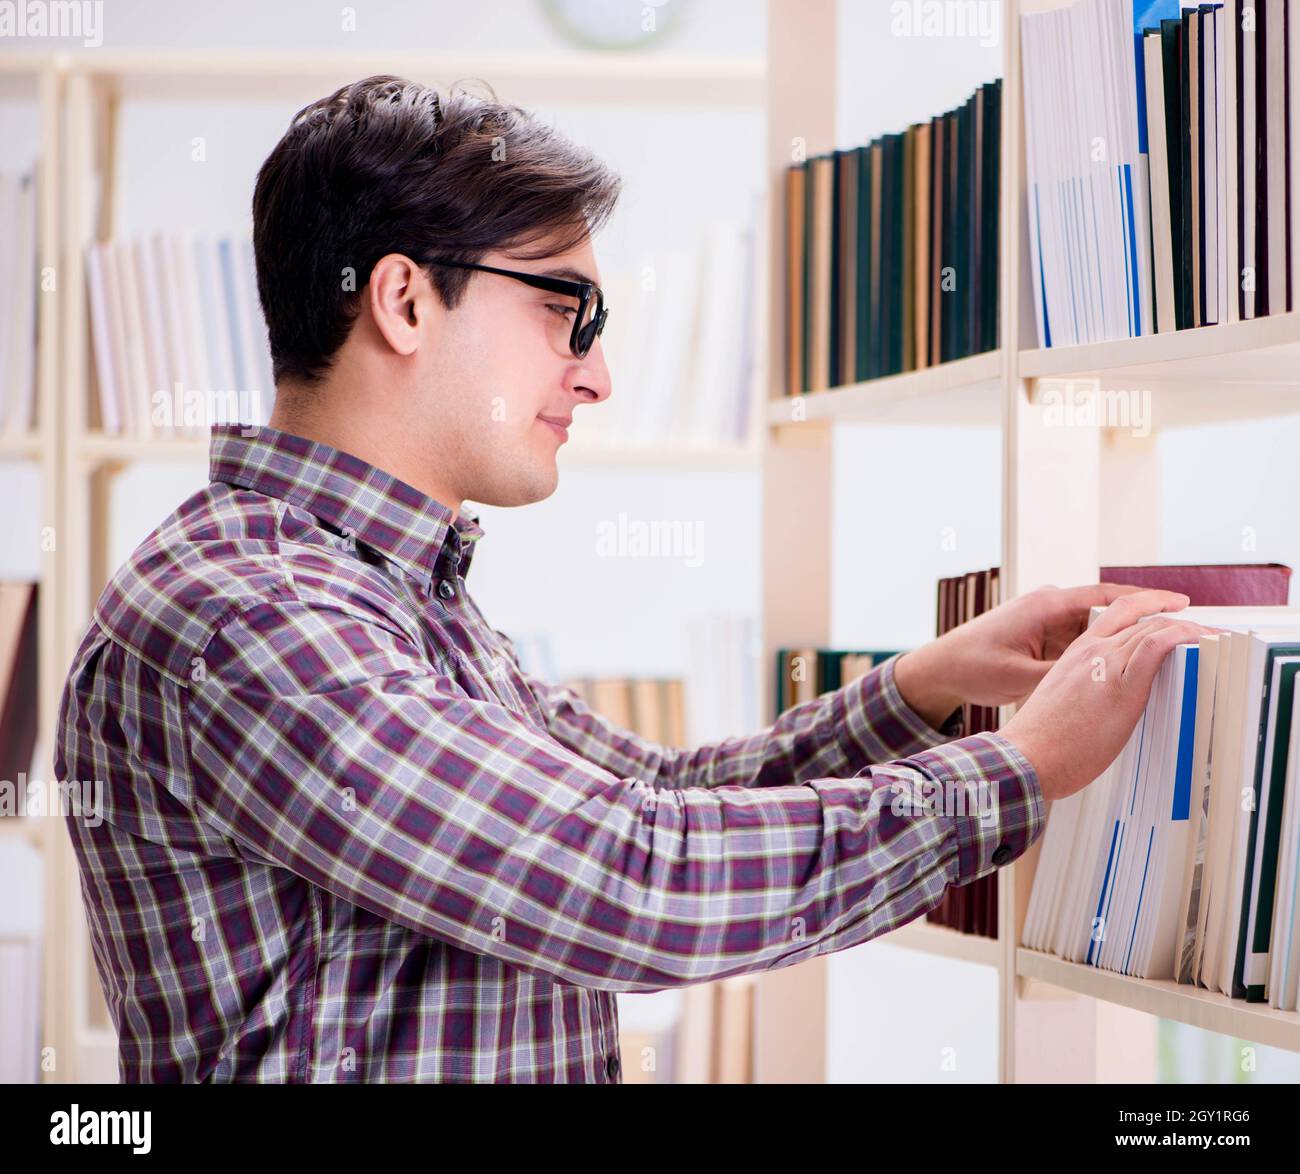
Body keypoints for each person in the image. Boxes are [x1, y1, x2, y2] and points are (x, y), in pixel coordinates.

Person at [54, 75, 1213, 1083]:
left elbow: (652, 798)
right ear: (404, 300)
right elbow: (630, 879)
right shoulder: (251, 616)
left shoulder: (387, 592)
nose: (596, 373)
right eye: (567, 311)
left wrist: (917, 687)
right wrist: (1011, 771)